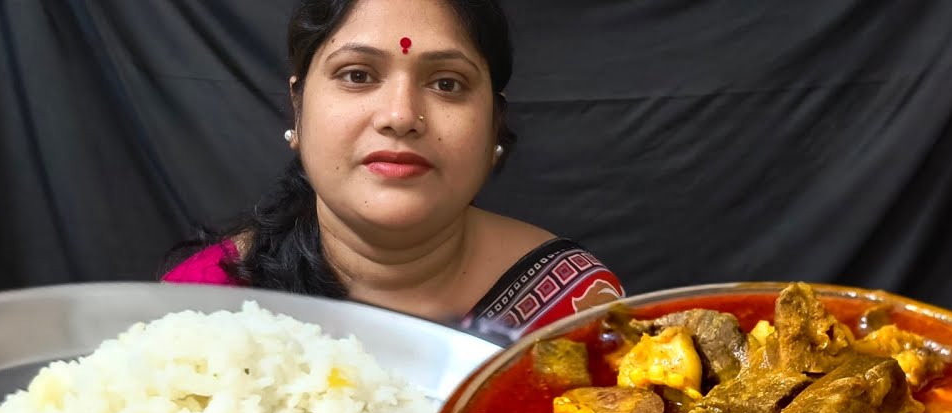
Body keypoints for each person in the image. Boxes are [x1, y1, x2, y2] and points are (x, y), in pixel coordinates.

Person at [162, 0, 623, 343]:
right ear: (297, 110)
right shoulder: (205, 306)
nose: (400, 116)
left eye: (447, 83)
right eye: (358, 75)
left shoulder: (573, 307)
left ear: (493, 129)